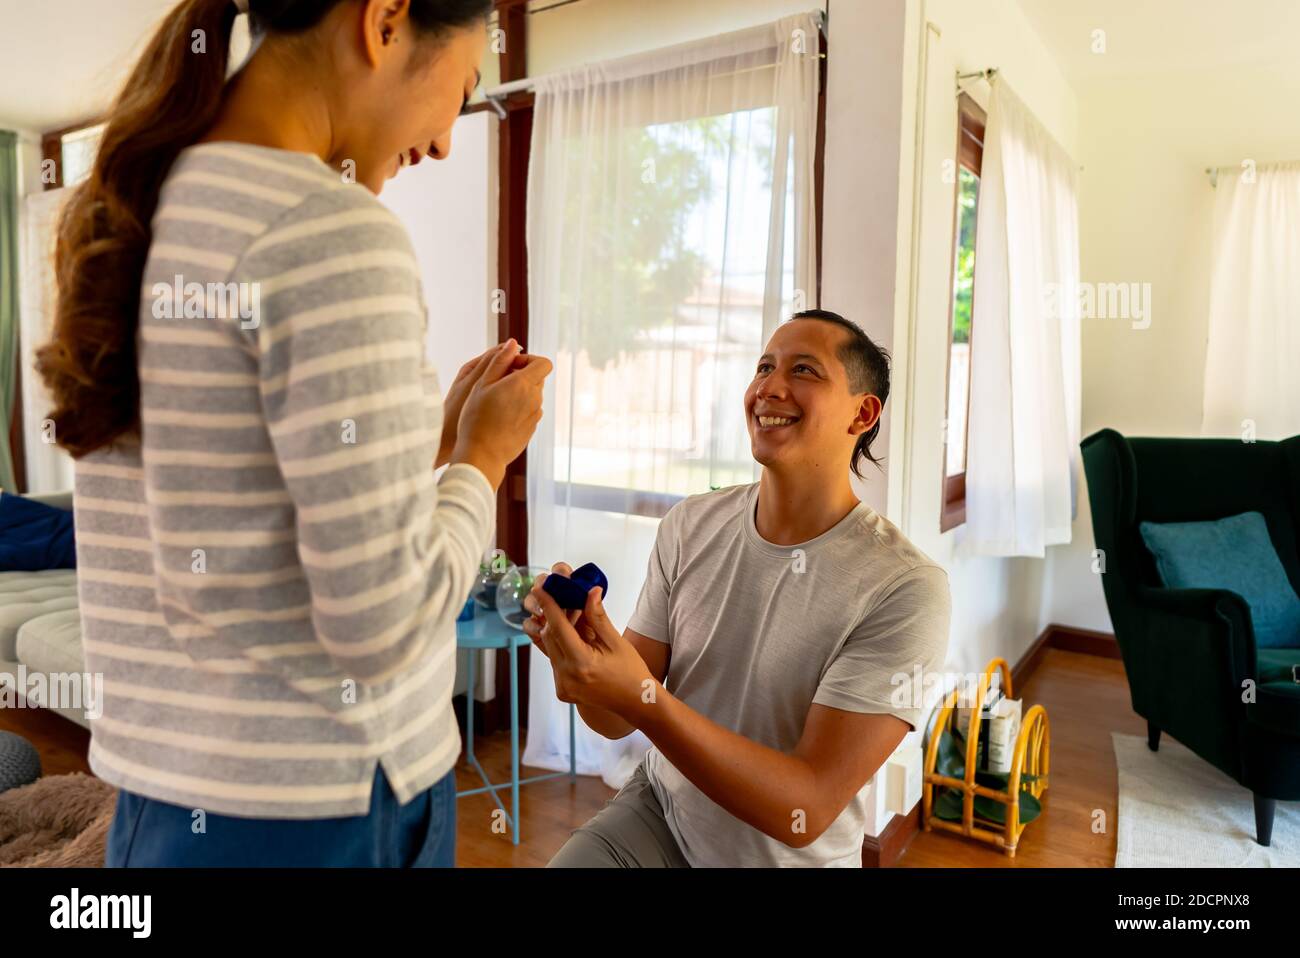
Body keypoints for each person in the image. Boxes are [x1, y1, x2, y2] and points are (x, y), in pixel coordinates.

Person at [35, 0, 550, 867]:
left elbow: (230, 485)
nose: (444, 143)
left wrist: (416, 445)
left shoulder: (140, 206)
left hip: (168, 801)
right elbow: (382, 626)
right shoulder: (330, 231)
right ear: (384, 22)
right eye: (460, 90)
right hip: (321, 809)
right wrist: (479, 459)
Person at [524, 309, 951, 867]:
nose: (768, 388)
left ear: (862, 413)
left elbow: (807, 806)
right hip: (660, 814)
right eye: (763, 367)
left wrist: (643, 699)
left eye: (803, 371)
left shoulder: (905, 589)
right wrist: (584, 667)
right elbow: (614, 719)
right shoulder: (691, 524)